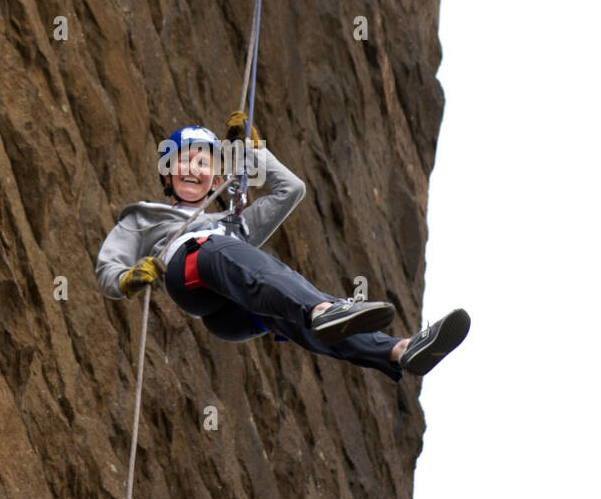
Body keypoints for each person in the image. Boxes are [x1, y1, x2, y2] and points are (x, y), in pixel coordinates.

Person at [94, 112, 470, 382]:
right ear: (167, 172)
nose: (193, 167)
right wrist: (129, 279)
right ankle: (322, 308)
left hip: (231, 314)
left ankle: (398, 351)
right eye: (184, 159)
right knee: (236, 257)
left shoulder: (235, 225)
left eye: (203, 161)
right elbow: (107, 267)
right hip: (190, 274)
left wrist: (254, 152)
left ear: (217, 179)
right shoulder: (145, 218)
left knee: (292, 314)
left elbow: (290, 190)